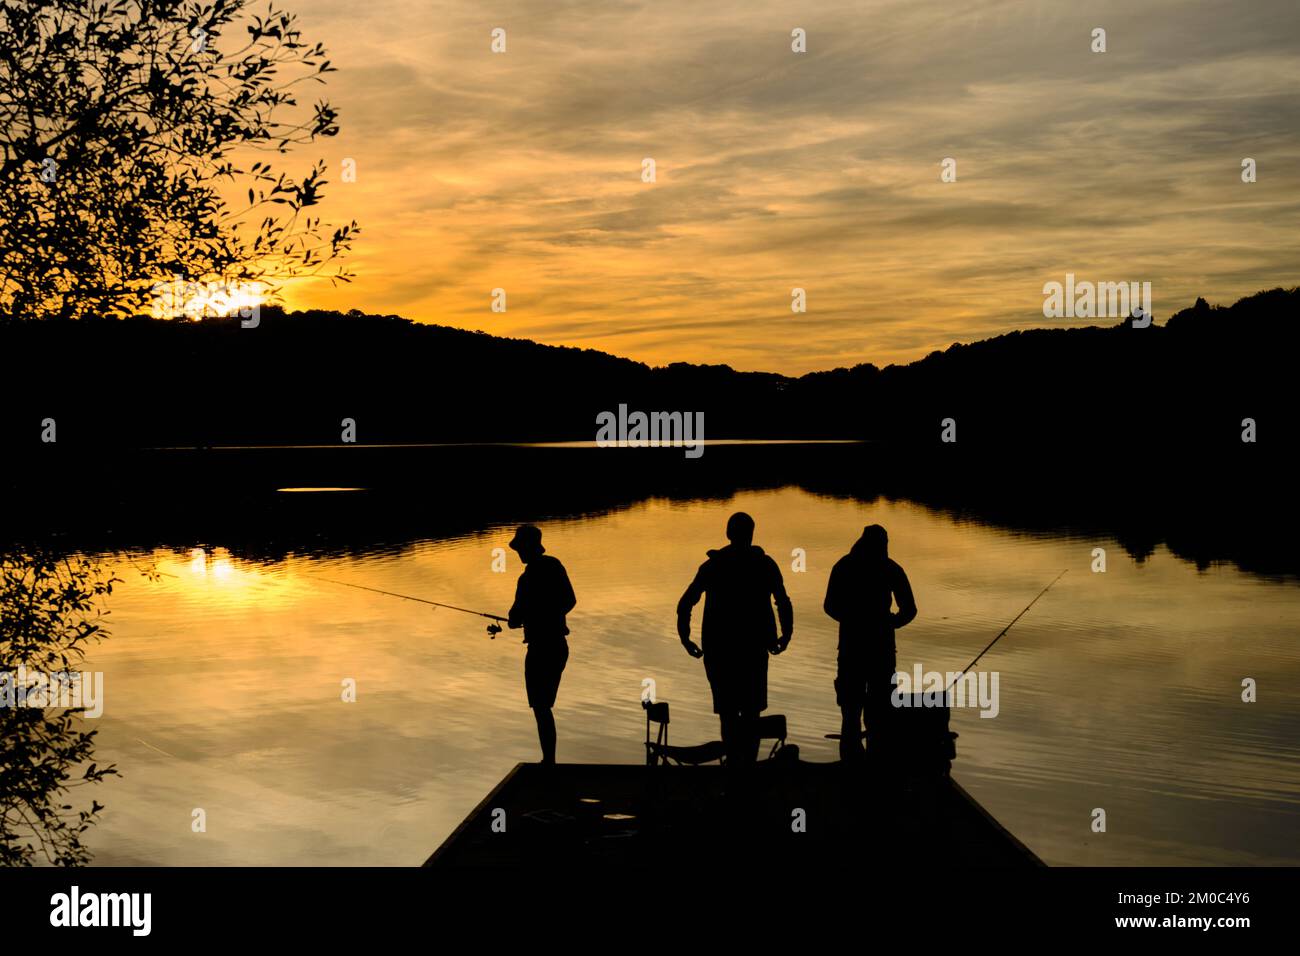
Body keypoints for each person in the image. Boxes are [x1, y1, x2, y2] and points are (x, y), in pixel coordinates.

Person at [677, 512, 793, 766]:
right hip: (750, 649)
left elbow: (685, 603)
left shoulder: (713, 567)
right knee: (750, 713)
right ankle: (745, 768)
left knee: (729, 714)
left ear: (728, 534)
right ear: (751, 534)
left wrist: (686, 639)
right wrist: (786, 635)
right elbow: (782, 601)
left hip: (721, 651)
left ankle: (735, 769)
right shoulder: (764, 565)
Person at [823, 524, 916, 763]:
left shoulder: (844, 565)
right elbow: (910, 610)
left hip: (853, 647)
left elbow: (830, 606)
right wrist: (891, 623)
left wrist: (851, 619)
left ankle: (852, 763)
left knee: (852, 710)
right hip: (879, 648)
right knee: (878, 711)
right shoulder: (890, 568)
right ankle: (876, 765)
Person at [507, 524, 576, 765]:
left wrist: (530, 617)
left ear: (528, 547)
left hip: (541, 649)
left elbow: (514, 618)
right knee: (543, 706)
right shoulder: (554, 565)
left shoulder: (526, 580)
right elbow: (570, 600)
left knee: (541, 706)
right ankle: (549, 760)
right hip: (558, 646)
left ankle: (549, 761)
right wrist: (549, 615)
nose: (519, 553)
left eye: (520, 548)